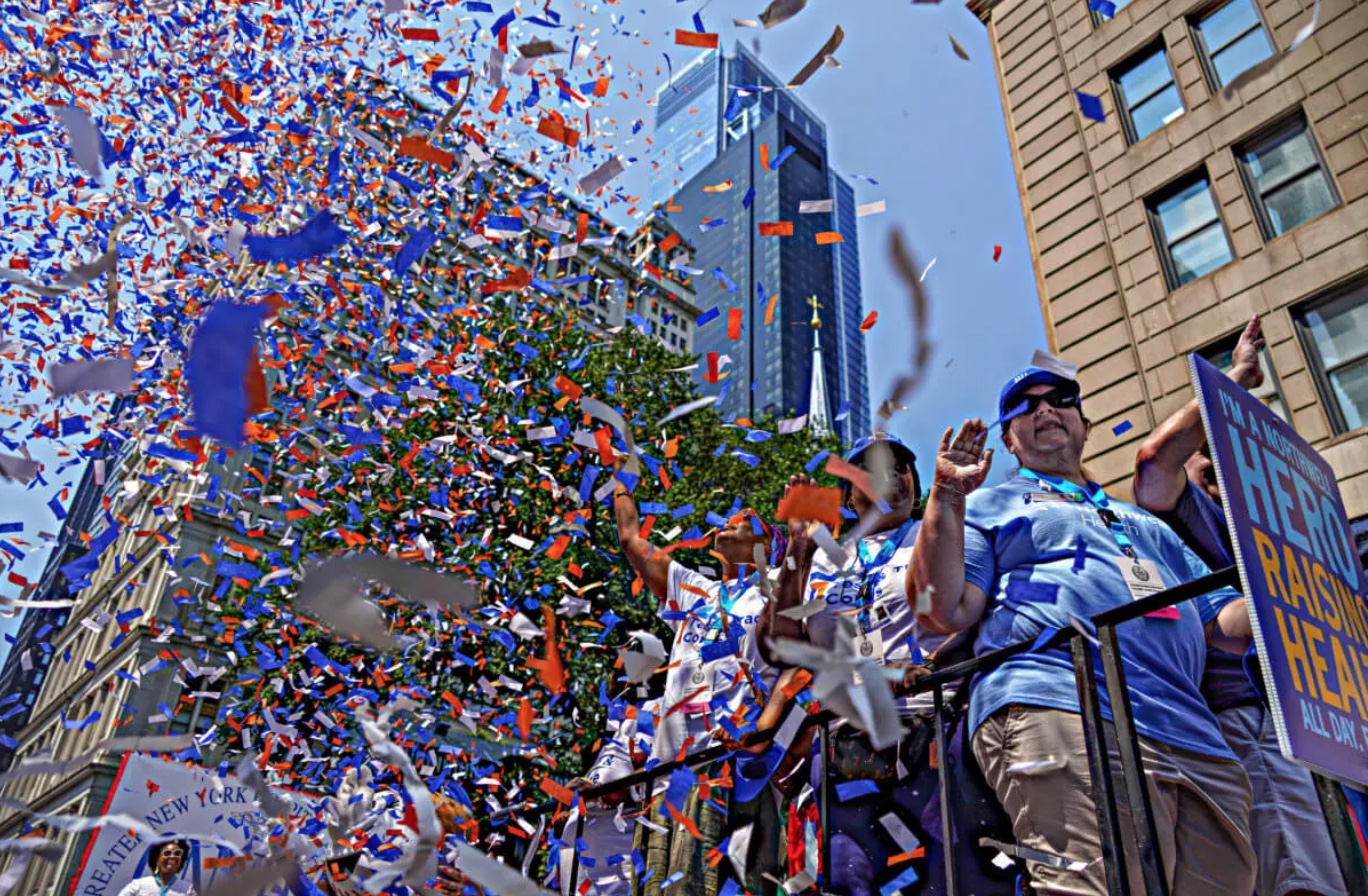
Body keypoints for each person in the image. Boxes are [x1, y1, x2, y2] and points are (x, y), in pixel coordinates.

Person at [910, 364, 1258, 896]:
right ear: (1009, 441)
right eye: (1026, 406)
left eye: (1060, 399)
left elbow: (1225, 624)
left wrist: (1292, 590)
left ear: (1085, 425)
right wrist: (947, 495)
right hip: (1059, 702)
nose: (1045, 409)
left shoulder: (1145, 523)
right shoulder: (986, 505)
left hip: (1190, 729)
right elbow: (942, 610)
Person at [1133, 314, 1350, 896]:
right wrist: (1235, 381)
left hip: (1317, 716)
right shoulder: (1184, 514)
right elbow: (1154, 462)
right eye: (1204, 450)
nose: (1215, 460)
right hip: (1250, 711)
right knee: (1297, 876)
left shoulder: (1261, 526)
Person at [757, 432, 1012, 896]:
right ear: (849, 495)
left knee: (946, 877)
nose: (893, 476)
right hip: (844, 742)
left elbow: (968, 621)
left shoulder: (937, 533)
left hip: (930, 728)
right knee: (850, 877)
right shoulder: (825, 559)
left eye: (901, 467)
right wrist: (798, 546)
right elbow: (779, 646)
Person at [611, 454, 781, 896]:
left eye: (746, 520)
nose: (731, 519)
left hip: (729, 772)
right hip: (667, 778)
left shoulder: (778, 587)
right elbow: (631, 539)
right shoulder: (696, 591)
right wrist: (620, 479)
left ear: (767, 545)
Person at [556, 686, 659, 896]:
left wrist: (604, 792)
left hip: (616, 856)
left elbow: (653, 772)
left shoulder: (652, 711)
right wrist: (565, 806)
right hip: (577, 852)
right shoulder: (611, 728)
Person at [118, 839, 196, 896]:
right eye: (167, 853)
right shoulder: (139, 885)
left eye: (177, 853)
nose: (172, 856)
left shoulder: (187, 889)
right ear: (157, 858)